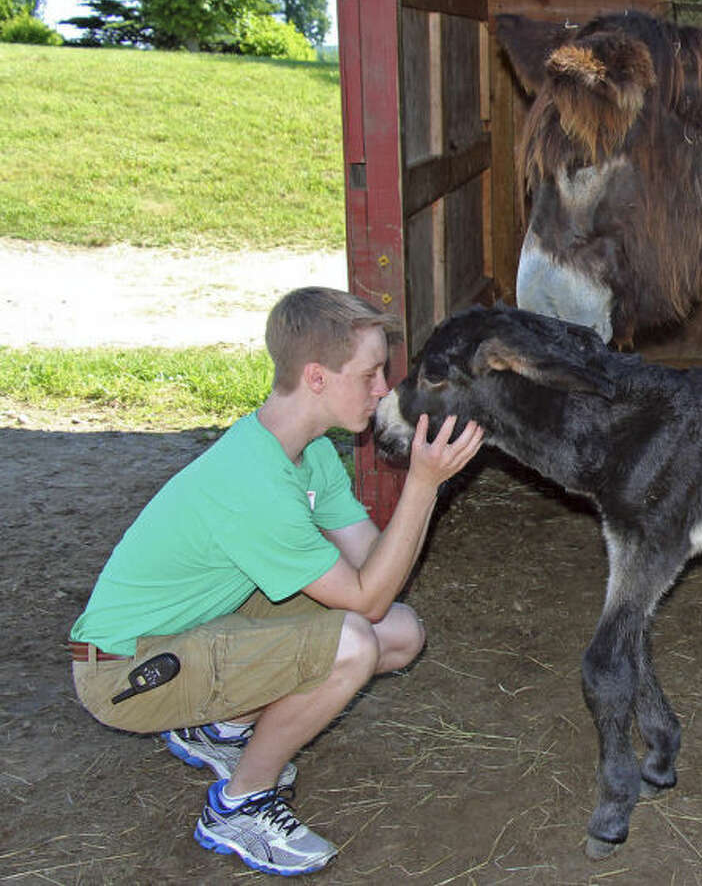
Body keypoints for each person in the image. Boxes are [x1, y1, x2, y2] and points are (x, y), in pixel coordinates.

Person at [68, 286, 484, 876]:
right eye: (368, 374)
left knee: (397, 632)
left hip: (195, 628)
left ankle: (220, 726)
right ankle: (239, 805)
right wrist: (422, 486)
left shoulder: (308, 453)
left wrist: (427, 486)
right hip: (122, 668)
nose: (381, 390)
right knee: (353, 643)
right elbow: (364, 594)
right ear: (316, 377)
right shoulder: (254, 481)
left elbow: (377, 579)